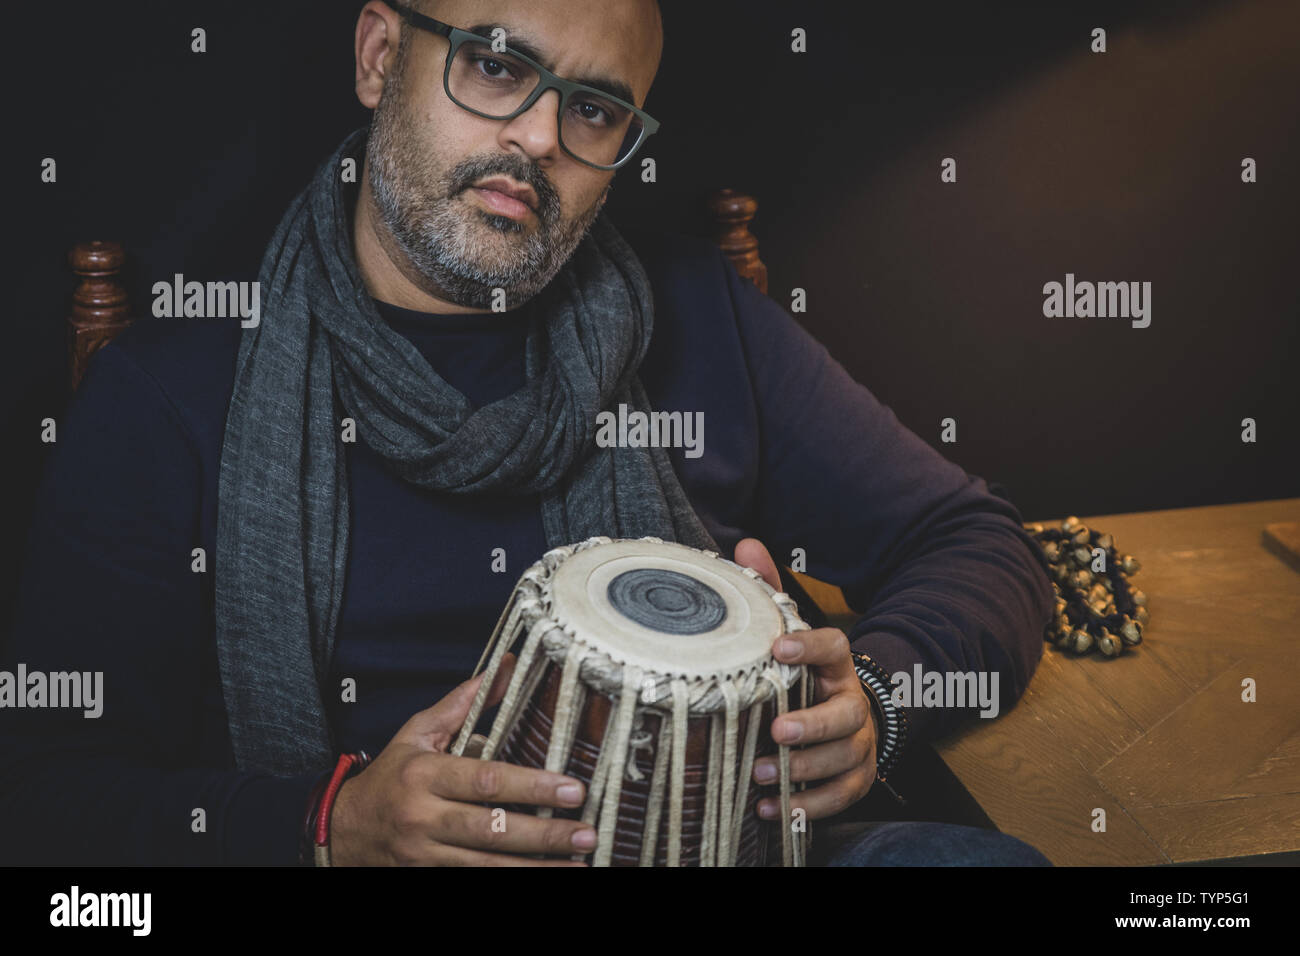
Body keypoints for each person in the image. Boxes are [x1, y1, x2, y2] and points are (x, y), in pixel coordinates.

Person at [0, 0, 1054, 866]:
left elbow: (981, 545)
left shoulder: (697, 317)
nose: (540, 139)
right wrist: (329, 827)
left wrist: (873, 697)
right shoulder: (173, 388)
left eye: (594, 109)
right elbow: (43, 803)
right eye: (498, 67)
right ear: (378, 57)